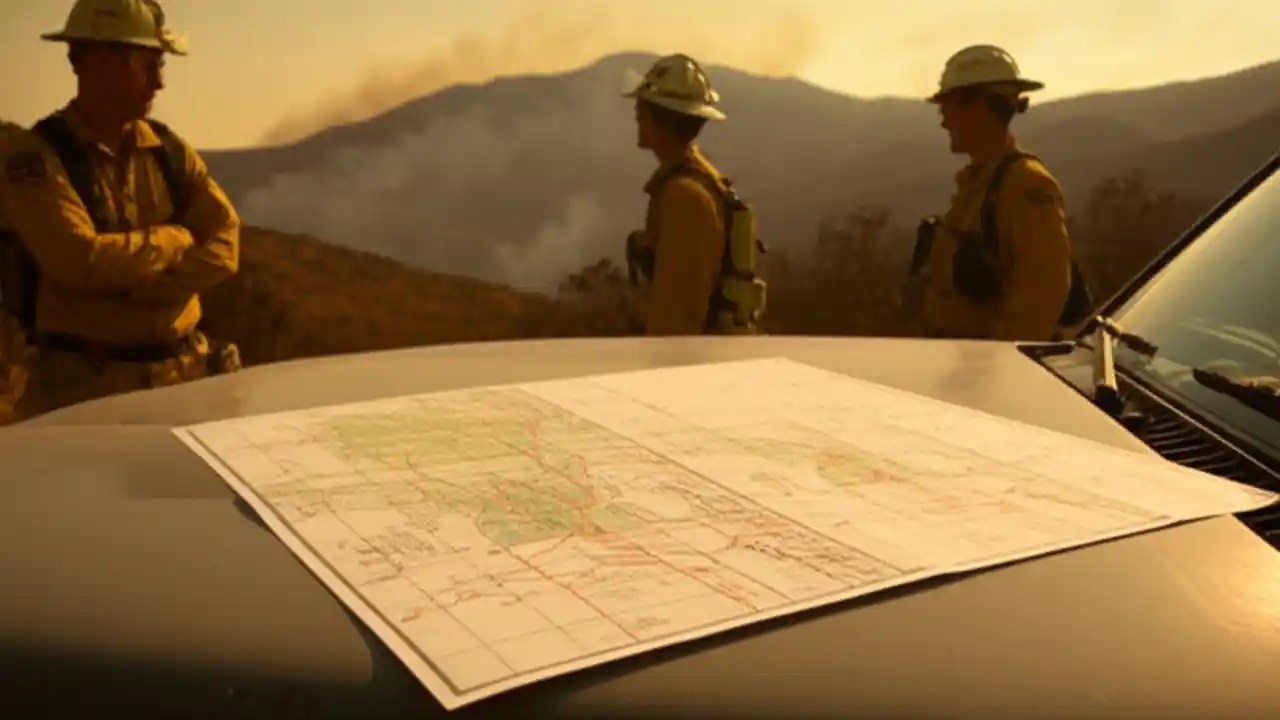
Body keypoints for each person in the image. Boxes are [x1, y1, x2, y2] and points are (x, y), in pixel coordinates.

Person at [0, 0, 241, 421]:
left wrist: (144, 289)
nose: (159, 83)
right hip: (85, 390)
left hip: (184, 375)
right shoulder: (34, 158)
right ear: (88, 62)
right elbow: (80, 261)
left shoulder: (168, 151)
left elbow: (226, 246)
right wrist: (176, 238)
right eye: (146, 65)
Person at [907, 44, 1088, 342]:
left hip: (987, 375)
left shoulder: (1026, 185)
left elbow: (1041, 298)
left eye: (947, 110)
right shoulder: (978, 185)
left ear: (976, 107)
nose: (943, 122)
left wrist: (1001, 372)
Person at [622, 53, 766, 336]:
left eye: (643, 107)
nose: (636, 112)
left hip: (687, 369)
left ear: (662, 119)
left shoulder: (684, 198)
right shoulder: (694, 182)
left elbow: (677, 320)